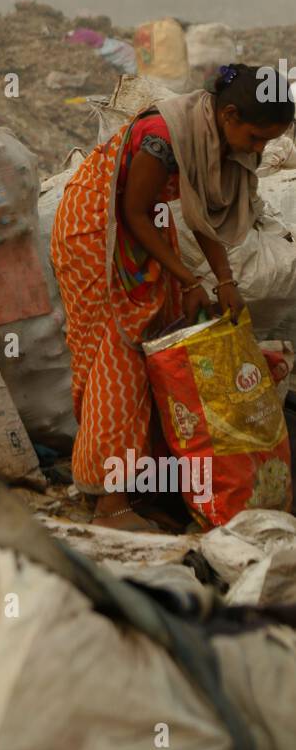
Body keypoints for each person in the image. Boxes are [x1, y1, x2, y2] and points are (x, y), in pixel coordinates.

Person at [51, 63, 295, 530]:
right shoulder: (162, 136)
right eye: (257, 138)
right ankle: (110, 502)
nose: (260, 150)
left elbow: (203, 218)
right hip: (95, 229)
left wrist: (225, 282)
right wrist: (188, 279)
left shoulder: (214, 140)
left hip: (141, 225)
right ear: (228, 115)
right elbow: (132, 210)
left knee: (158, 346)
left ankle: (148, 487)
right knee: (117, 354)